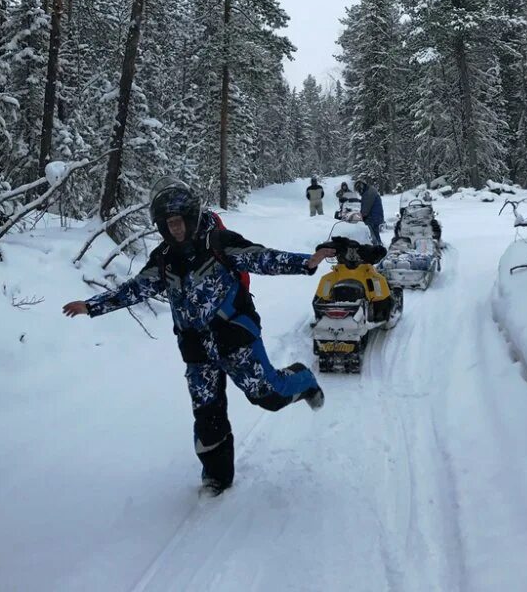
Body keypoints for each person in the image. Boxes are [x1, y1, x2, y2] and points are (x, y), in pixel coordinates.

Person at [63, 177, 336, 497]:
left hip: (236, 337)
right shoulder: (164, 258)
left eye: (179, 221)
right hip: (195, 348)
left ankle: (302, 379)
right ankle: (217, 477)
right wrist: (92, 306)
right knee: (207, 415)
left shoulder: (219, 243)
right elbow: (137, 289)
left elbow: (260, 257)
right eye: (167, 224)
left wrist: (306, 262)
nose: (175, 229)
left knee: (269, 396)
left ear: (192, 217)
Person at [354, 178, 384, 245]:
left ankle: (377, 246)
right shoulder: (369, 190)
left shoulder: (368, 193)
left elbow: (366, 208)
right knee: (375, 232)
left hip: (373, 217)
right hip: (376, 215)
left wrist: (362, 216)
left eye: (359, 190)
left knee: (372, 232)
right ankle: (379, 245)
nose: (359, 192)